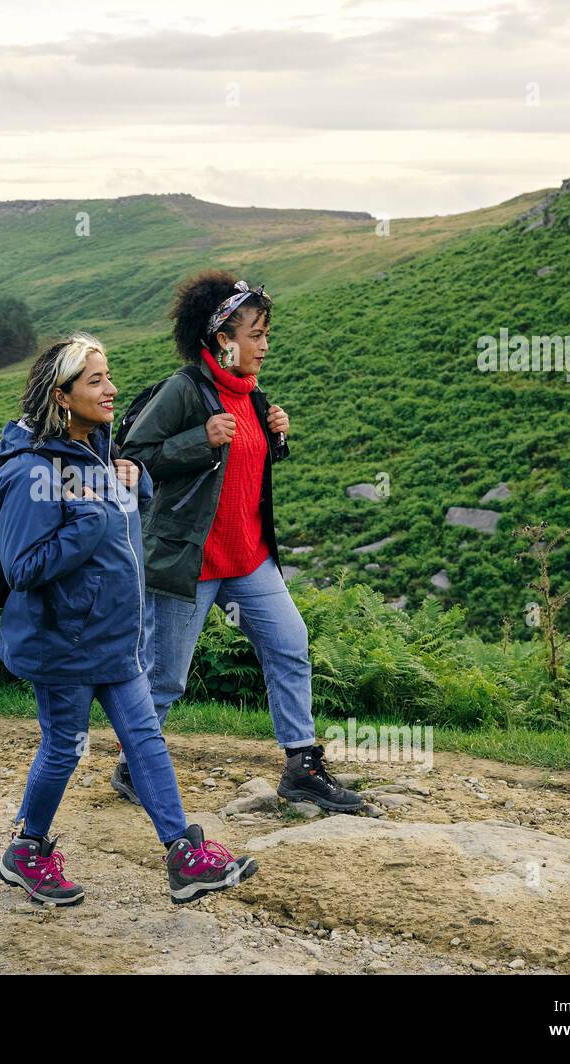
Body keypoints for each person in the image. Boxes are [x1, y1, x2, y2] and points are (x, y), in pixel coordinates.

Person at [0, 331, 258, 905]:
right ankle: (26, 849)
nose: (112, 390)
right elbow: (22, 566)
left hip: (117, 636)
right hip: (63, 642)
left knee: (146, 738)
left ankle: (184, 856)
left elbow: (126, 530)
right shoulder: (29, 470)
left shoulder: (98, 452)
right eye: (96, 381)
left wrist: (137, 486)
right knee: (64, 746)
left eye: (109, 377)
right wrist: (87, 522)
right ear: (62, 397)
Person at [116, 272, 363, 813]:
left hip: (249, 557)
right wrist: (195, 440)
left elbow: (241, 469)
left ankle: (302, 766)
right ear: (223, 338)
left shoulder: (253, 397)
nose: (265, 344)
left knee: (289, 646)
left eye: (267, 333)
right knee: (166, 679)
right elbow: (133, 458)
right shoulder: (184, 390)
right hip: (191, 560)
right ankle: (134, 766)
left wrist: (275, 438)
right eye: (256, 333)